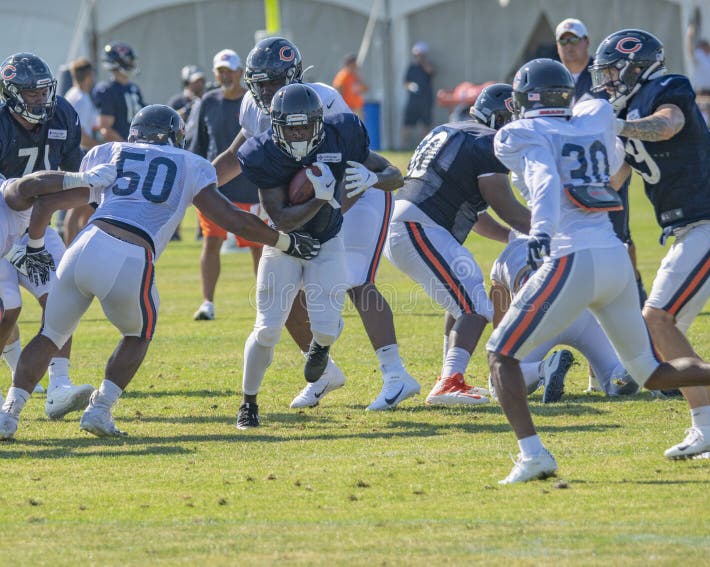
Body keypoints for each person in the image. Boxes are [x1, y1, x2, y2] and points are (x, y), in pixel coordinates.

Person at [487, 58, 710, 484]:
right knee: (650, 371)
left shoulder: (519, 133)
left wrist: (540, 232)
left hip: (571, 255)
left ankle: (533, 454)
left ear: (525, 99)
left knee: (501, 355)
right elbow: (607, 151)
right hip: (614, 256)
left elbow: (544, 179)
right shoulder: (592, 117)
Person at [0, 104, 321, 439]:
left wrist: (35, 244)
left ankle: (9, 414)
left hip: (84, 245)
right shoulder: (190, 163)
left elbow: (50, 202)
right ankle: (99, 409)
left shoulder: (110, 152)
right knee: (139, 334)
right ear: (175, 137)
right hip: (130, 252)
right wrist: (285, 241)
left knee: (50, 334)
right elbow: (232, 219)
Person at [214, 37, 416, 421]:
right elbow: (233, 158)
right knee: (284, 290)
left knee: (355, 278)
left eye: (274, 82)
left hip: (353, 187)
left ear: (293, 76)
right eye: (259, 83)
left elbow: (353, 162)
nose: (266, 91)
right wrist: (196, 187)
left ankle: (396, 374)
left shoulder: (324, 100)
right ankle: (323, 371)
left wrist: (327, 215)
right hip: (305, 200)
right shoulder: (252, 106)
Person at [591, 29, 710, 458]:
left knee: (656, 320)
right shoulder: (626, 111)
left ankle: (707, 425)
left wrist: (618, 125)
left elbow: (667, 126)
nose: (608, 82)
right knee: (663, 338)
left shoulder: (667, 88)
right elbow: (614, 181)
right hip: (685, 231)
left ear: (636, 67)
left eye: (613, 72)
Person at [384, 83, 531, 406]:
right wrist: (552, 229)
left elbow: (475, 215)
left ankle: (449, 377)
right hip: (419, 225)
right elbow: (505, 206)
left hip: (412, 223)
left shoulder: (455, 131)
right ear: (501, 118)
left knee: (464, 297)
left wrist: (510, 236)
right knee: (476, 306)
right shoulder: (486, 141)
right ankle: (449, 382)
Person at [554, 17, 649, 390]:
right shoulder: (555, 81)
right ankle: (605, 366)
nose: (569, 47)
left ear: (586, 41)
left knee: (619, 248)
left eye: (574, 40)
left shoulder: (602, 80)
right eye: (563, 41)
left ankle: (634, 342)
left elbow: (625, 137)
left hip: (607, 179)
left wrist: (616, 181)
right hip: (572, 184)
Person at [0, 52, 91, 408]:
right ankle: (17, 373)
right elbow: (16, 196)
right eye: (31, 93)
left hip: (36, 223)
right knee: (7, 308)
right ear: (11, 94)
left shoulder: (63, 114)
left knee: (61, 299)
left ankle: (59, 386)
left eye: (43, 91)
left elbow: (77, 175)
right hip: (3, 221)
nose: (40, 99)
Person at [484, 221, 638, 401]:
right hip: (584, 309)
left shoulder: (507, 255)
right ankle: (625, 372)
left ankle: (544, 369)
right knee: (613, 371)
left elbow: (501, 324)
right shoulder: (570, 238)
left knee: (498, 380)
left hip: (540, 311)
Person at [189, 49, 262, 322]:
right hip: (215, 186)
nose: (225, 76)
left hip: (251, 185)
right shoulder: (208, 101)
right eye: (220, 71)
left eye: (229, 71)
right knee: (211, 242)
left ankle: (265, 302)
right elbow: (199, 144)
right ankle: (207, 302)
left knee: (259, 246)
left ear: (240, 72)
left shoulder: (252, 100)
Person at [63, 57, 101, 245]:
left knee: (87, 205)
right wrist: (101, 146)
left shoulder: (74, 94)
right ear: (89, 76)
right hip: (80, 155)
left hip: (77, 154)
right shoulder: (81, 99)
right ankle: (69, 249)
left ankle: (80, 246)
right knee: (78, 207)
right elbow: (81, 135)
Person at [92, 41, 145, 142]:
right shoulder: (106, 90)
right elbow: (105, 129)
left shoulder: (133, 88)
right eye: (129, 60)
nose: (132, 64)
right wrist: (127, 146)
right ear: (116, 63)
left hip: (136, 144)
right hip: (120, 147)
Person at [401, 42, 435, 150]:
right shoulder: (412, 67)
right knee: (407, 122)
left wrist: (423, 62)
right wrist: (410, 86)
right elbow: (405, 82)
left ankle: (424, 146)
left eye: (420, 55)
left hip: (426, 100)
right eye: (417, 55)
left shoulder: (427, 65)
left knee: (426, 123)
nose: (418, 57)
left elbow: (430, 72)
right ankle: (404, 145)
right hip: (413, 100)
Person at [685, 20, 710, 97]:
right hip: (701, 91)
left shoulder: (708, 57)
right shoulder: (699, 54)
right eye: (708, 46)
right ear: (703, 46)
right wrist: (689, 36)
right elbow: (690, 50)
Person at [332, 54, 368, 119]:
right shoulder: (343, 76)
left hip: (358, 109)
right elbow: (338, 90)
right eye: (353, 64)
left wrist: (359, 79)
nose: (355, 66)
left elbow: (365, 89)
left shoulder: (356, 76)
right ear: (348, 65)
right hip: (347, 109)